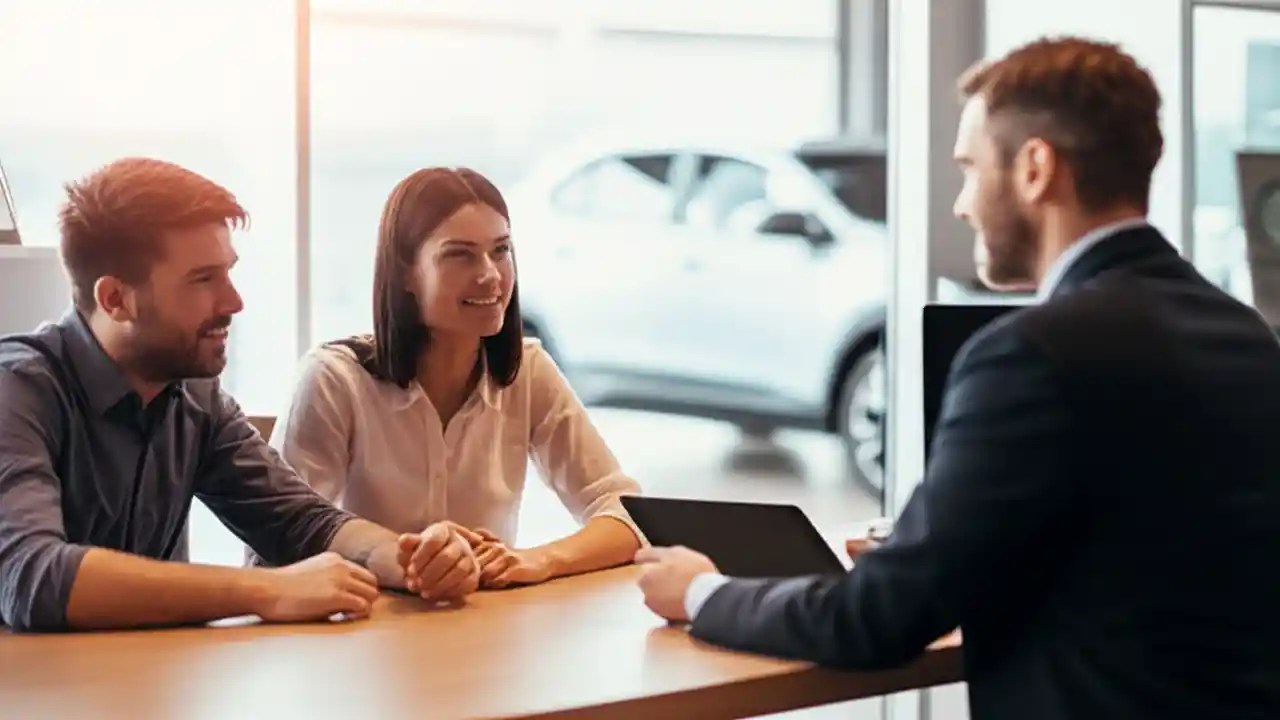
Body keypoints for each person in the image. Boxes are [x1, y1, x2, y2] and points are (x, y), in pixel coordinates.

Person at [635, 37, 1280, 720]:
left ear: (1035, 168)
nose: (961, 205)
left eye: (971, 169)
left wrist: (703, 592)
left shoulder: (1032, 354)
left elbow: (878, 619)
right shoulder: (1244, 334)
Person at [0, 158, 480, 633]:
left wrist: (410, 559)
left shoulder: (194, 395)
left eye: (228, 272)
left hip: (141, 691)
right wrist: (267, 591)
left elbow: (300, 522)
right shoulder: (19, 389)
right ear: (115, 300)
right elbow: (35, 579)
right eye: (203, 279)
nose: (234, 302)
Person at [270, 167, 643, 589]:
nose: (489, 275)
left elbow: (626, 514)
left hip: (481, 629)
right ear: (406, 273)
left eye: (500, 251)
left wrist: (539, 560)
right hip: (363, 630)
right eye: (460, 255)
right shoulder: (335, 380)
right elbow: (279, 545)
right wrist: (409, 565)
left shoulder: (528, 370)